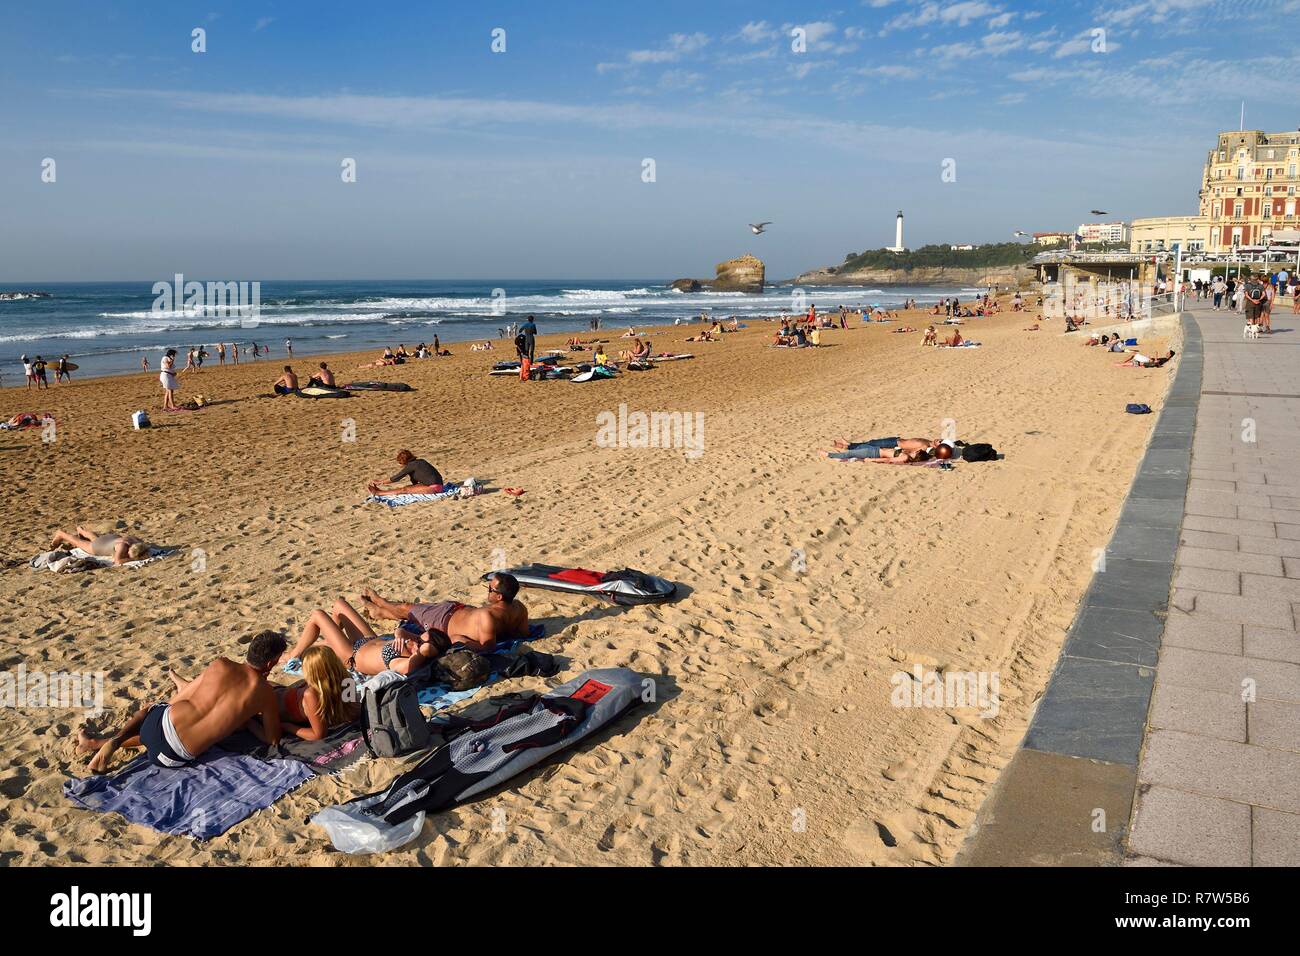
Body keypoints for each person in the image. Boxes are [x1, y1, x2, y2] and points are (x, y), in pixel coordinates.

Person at [77, 630, 287, 772]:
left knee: (152, 711)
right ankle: (97, 744)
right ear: (270, 663)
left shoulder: (220, 664)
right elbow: (272, 739)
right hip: (172, 758)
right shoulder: (265, 693)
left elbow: (184, 695)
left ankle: (113, 741)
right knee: (171, 734)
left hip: (155, 726)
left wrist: (161, 709)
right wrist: (248, 718)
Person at [360, 572, 529, 654]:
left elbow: (488, 647)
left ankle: (381, 602)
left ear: (499, 596)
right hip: (455, 610)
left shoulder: (487, 617)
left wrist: (461, 640)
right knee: (412, 611)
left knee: (406, 608)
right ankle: (379, 612)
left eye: (490, 589)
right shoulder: (520, 608)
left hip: (442, 621)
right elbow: (522, 633)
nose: (488, 590)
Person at [282, 598, 440, 677]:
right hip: (369, 640)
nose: (414, 641)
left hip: (352, 655)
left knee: (318, 615)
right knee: (339, 604)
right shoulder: (415, 643)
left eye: (419, 643)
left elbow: (408, 667)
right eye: (419, 638)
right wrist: (400, 634)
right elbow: (401, 631)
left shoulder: (402, 662)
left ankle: (293, 655)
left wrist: (422, 650)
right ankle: (330, 643)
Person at [48, 526, 152, 564]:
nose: (128, 555)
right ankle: (61, 534)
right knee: (79, 543)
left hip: (112, 538)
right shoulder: (122, 547)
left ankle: (82, 531)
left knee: (96, 539)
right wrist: (133, 559)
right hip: (98, 547)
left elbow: (146, 550)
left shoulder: (137, 541)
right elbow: (118, 561)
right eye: (129, 554)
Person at [367, 449, 444, 496]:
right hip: (437, 485)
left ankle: (378, 493)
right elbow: (415, 483)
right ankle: (381, 491)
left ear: (403, 461)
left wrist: (380, 482)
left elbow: (396, 478)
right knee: (408, 488)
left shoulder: (411, 466)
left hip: (434, 488)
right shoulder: (421, 461)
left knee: (405, 490)